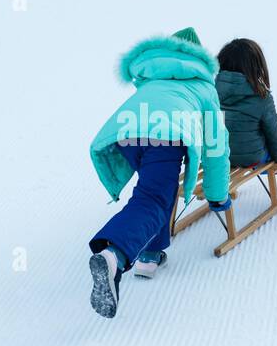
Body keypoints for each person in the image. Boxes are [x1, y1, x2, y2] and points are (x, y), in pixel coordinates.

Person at [87, 27, 231, 317]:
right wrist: (217, 195)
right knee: (153, 198)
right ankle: (114, 253)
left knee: (154, 192)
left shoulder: (150, 82)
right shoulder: (204, 88)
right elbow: (216, 150)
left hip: (126, 133)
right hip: (164, 137)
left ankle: (150, 255)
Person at [215, 38, 277, 170]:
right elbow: (274, 134)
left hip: (216, 155)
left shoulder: (211, 90)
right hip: (249, 159)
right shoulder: (261, 96)